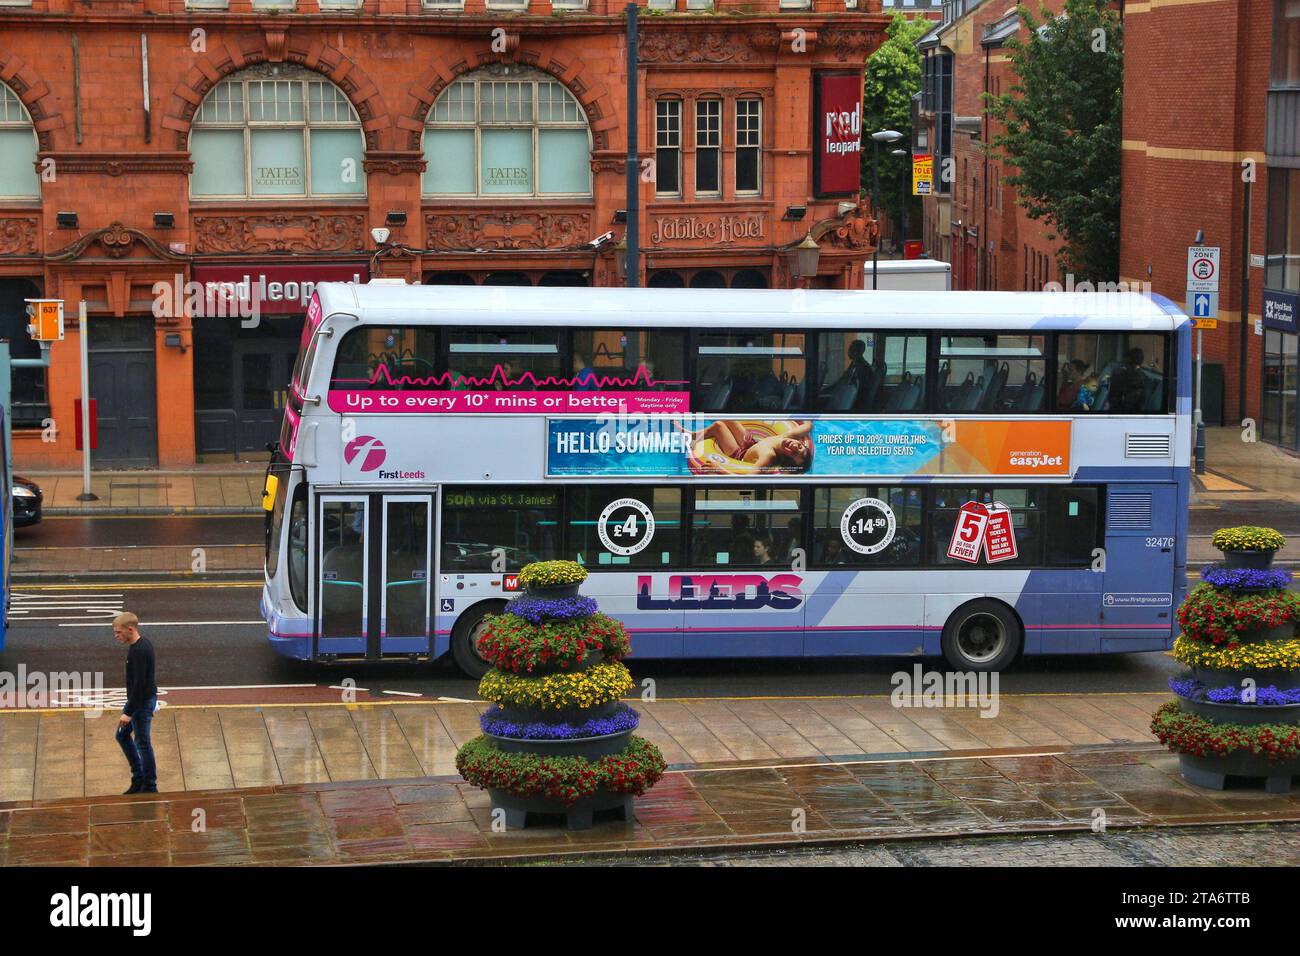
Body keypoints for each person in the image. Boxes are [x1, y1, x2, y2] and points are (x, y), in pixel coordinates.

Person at [114, 612, 158, 795]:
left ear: (130, 629)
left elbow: (140, 685)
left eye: (118, 632)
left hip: (140, 704)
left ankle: (149, 785)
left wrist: (128, 712)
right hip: (138, 701)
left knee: (142, 743)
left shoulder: (139, 651)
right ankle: (139, 778)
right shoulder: (140, 645)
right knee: (123, 735)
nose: (116, 636)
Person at [681, 419, 813, 473]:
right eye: (800, 448)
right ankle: (695, 434)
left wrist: (720, 470)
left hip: (740, 454)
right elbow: (808, 426)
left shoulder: (768, 456)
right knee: (728, 419)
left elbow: (749, 478)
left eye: (794, 454)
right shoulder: (788, 437)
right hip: (751, 443)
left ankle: (693, 436)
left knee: (718, 426)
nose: (796, 447)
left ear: (784, 458)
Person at [1108, 347, 1148, 412]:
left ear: (1130, 360)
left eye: (1126, 362)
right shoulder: (1142, 377)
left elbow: (1126, 402)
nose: (1124, 365)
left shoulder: (1135, 379)